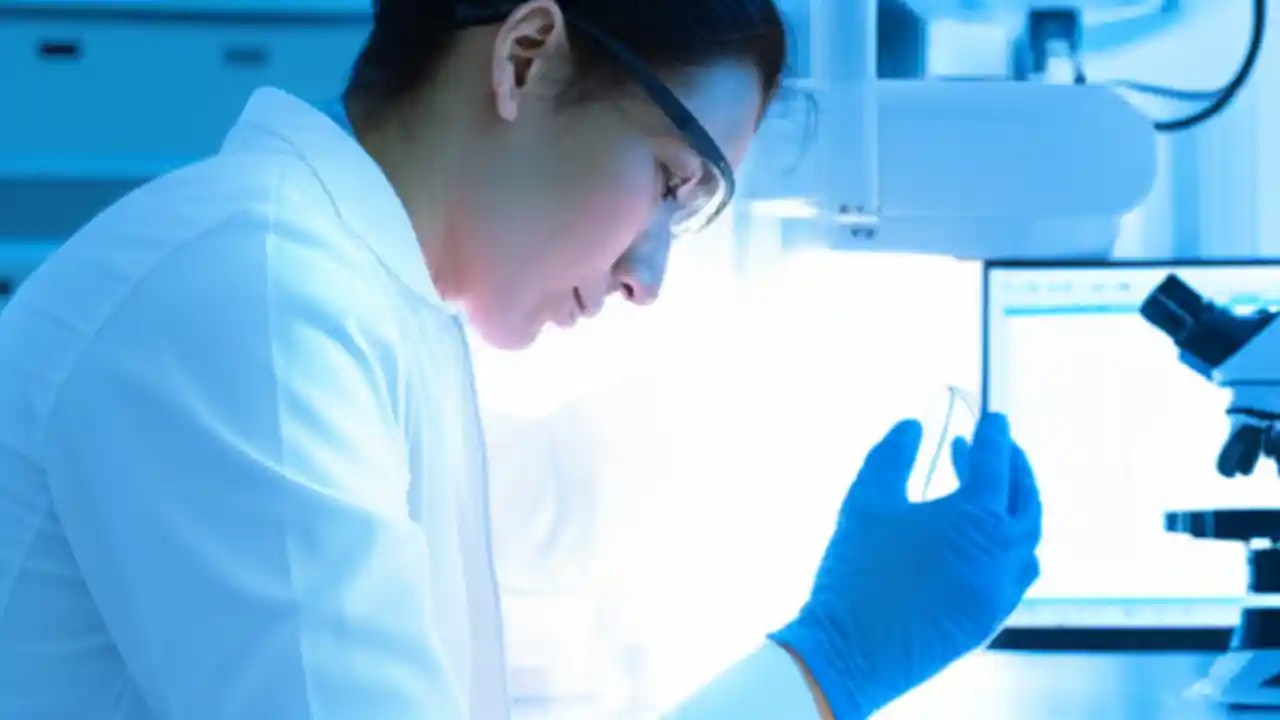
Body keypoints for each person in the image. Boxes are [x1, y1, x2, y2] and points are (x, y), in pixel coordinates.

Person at [0, 1, 1042, 718]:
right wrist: (828, 666)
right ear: (526, 57)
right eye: (670, 184)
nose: (648, 276)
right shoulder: (260, 293)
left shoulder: (365, 302)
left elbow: (550, 508)